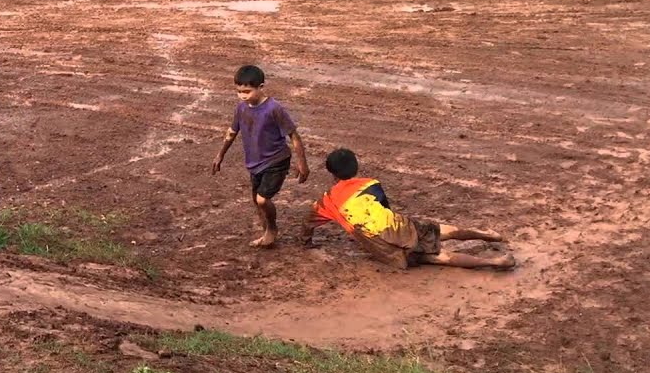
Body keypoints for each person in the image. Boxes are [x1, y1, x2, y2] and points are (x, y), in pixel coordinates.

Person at [303, 148, 515, 270]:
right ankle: (490, 236)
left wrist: (307, 241)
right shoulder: (369, 184)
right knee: (442, 231)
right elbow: (385, 207)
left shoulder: (327, 201)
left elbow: (307, 223)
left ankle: (494, 261)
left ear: (331, 173)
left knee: (438, 257)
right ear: (356, 167)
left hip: (384, 251)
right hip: (398, 229)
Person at [212, 65, 310, 248]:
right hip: (255, 163)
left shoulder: (274, 109)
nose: (242, 96)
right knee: (256, 200)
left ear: (261, 87)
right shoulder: (241, 108)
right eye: (239, 91)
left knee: (262, 199)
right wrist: (220, 155)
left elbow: (294, 136)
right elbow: (232, 132)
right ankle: (267, 232)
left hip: (276, 160)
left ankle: (272, 230)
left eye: (247, 91)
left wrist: (302, 163)